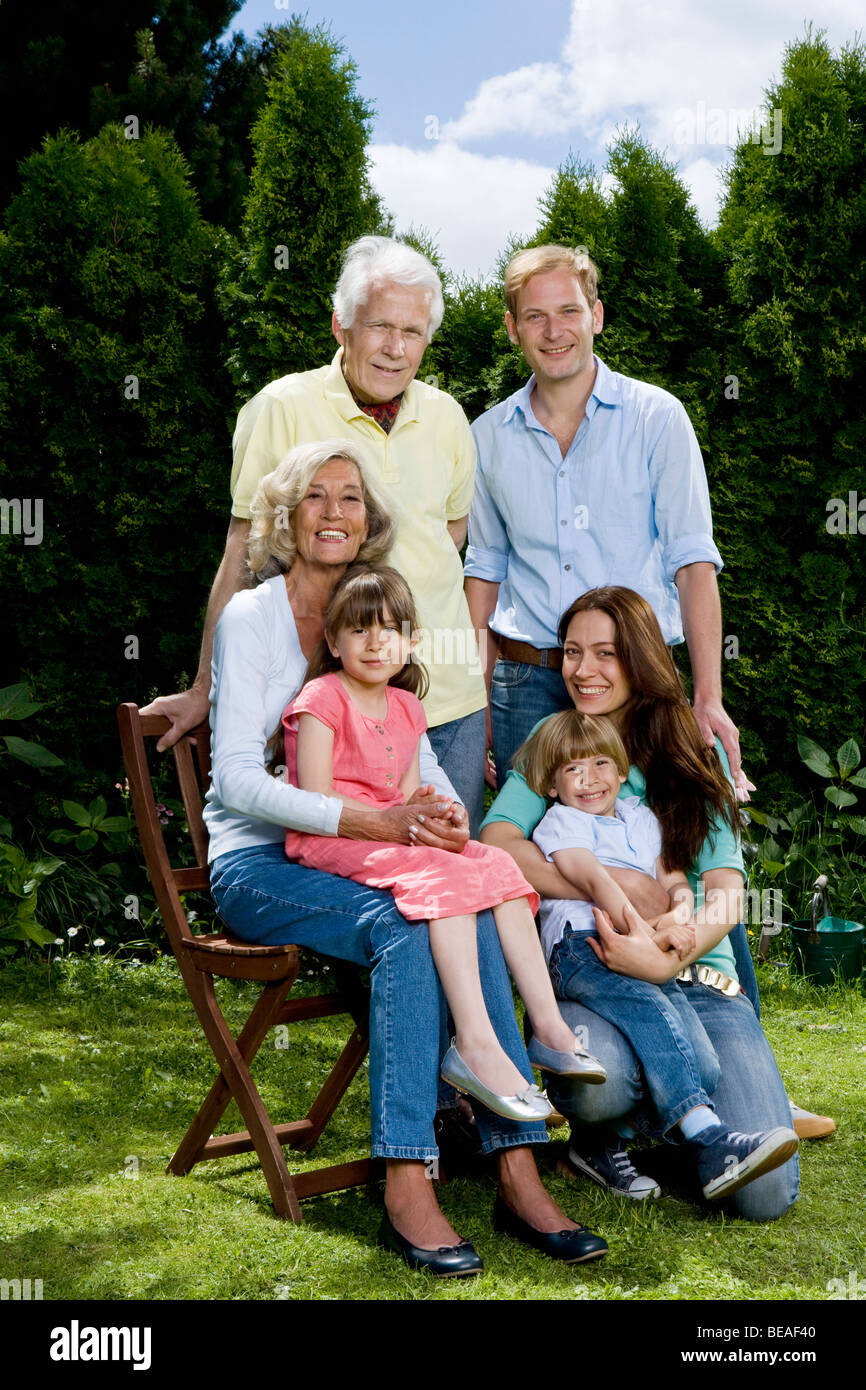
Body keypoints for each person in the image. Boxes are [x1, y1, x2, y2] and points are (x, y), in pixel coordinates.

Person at [203, 436, 609, 1275]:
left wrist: (435, 814)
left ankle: (517, 1166)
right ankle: (407, 1177)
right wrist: (369, 820)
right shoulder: (254, 616)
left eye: (351, 497)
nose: (335, 512)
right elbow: (239, 780)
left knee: (457, 888)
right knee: (411, 923)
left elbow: (407, 751)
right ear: (286, 514)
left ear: (369, 520)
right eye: (315, 496)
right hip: (259, 864)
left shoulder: (368, 621)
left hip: (363, 849)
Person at [144, 235, 488, 832]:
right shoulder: (282, 407)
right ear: (341, 326)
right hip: (342, 697)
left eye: (412, 332)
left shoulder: (448, 417)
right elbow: (242, 552)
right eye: (379, 326)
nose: (394, 348)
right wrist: (205, 687)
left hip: (449, 702)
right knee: (364, 869)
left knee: (452, 873)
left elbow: (450, 537)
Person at [481, 586, 800, 1220]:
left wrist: (671, 951)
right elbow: (498, 843)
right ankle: (637, 1130)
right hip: (601, 962)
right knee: (601, 1084)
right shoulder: (557, 740)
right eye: (572, 652)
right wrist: (619, 887)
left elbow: (727, 896)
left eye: (605, 653)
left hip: (701, 978)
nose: (583, 669)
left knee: (765, 1197)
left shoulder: (688, 751)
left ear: (641, 661)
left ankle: (681, 1134)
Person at [279, 564, 606, 1119]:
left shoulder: (407, 707)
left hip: (393, 837)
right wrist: (405, 823)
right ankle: (474, 1043)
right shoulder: (322, 699)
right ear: (333, 641)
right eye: (359, 630)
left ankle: (548, 1025)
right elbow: (315, 801)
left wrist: (440, 819)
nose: (375, 642)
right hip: (333, 835)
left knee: (498, 865)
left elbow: (411, 794)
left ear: (411, 641)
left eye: (389, 630)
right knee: (449, 879)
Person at [463, 243, 747, 802]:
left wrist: (708, 695)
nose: (553, 331)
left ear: (596, 315)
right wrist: (477, 700)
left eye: (568, 311)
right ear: (512, 328)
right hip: (526, 682)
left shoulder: (657, 418)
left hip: (637, 677)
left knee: (648, 843)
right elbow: (485, 572)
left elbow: (692, 562)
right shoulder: (487, 437)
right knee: (533, 851)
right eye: (534, 316)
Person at [514, 708, 798, 1203]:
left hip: (649, 947)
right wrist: (639, 923)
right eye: (572, 770)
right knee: (651, 1016)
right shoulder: (560, 822)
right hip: (584, 947)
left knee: (701, 1059)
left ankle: (610, 1143)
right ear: (553, 786)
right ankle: (709, 1139)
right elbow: (592, 879)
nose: (588, 779)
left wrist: (680, 919)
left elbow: (670, 877)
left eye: (601, 764)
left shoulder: (641, 817)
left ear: (623, 772)